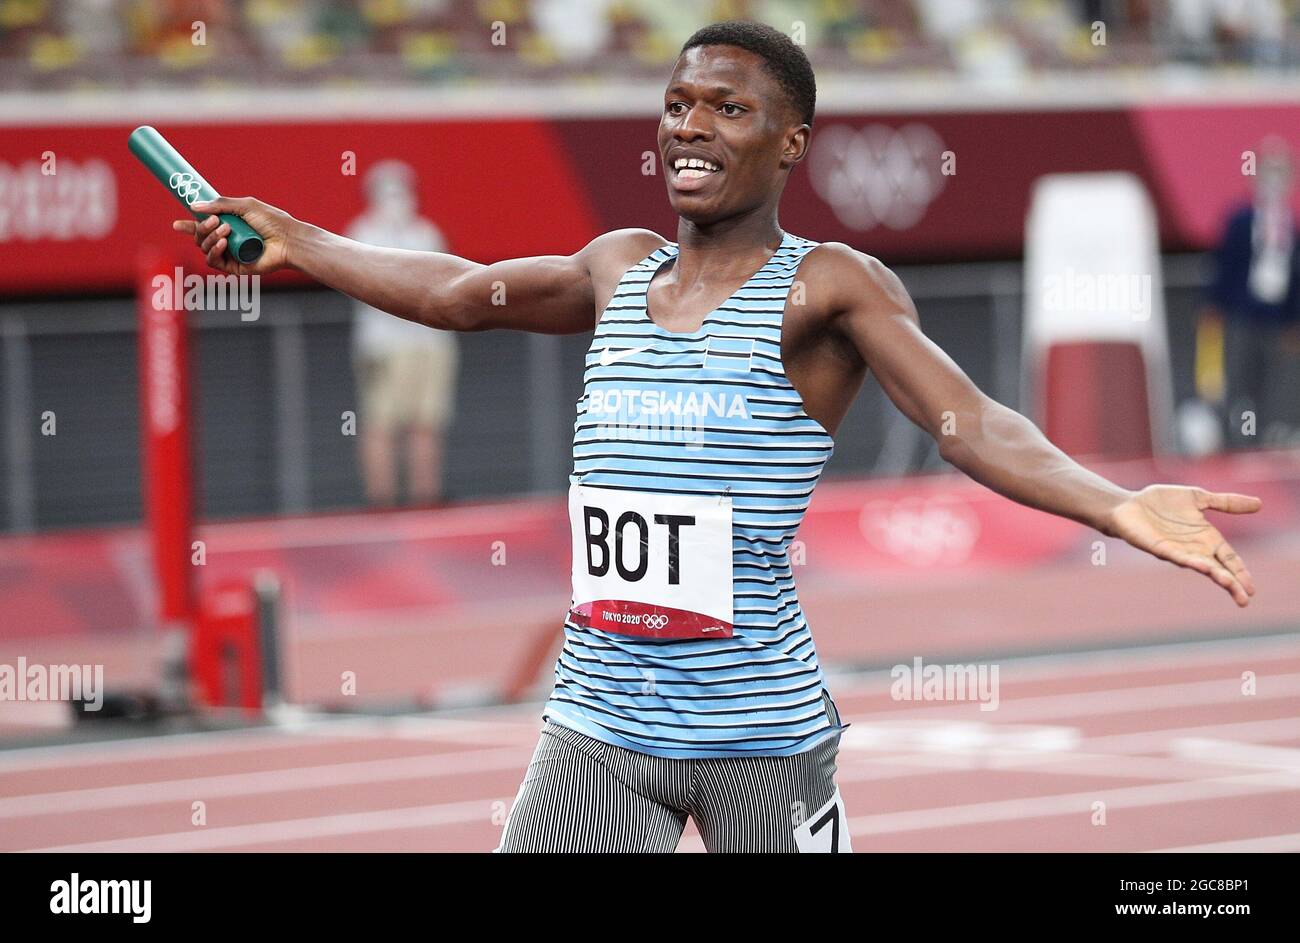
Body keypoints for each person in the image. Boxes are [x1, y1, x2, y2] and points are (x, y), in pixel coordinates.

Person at [172, 21, 1261, 853]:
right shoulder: (617, 267)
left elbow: (966, 420)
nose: (688, 125)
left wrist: (1111, 502)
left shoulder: (826, 287)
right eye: (677, 103)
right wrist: (298, 238)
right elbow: (460, 291)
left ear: (790, 144)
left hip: (760, 739)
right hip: (596, 721)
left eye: (726, 110)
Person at [347, 160, 458, 506]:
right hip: (383, 345)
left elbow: (446, 286)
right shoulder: (361, 235)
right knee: (381, 422)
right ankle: (381, 501)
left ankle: (425, 498)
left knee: (427, 422)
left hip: (429, 342)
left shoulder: (426, 234)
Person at [1199, 137, 1300, 449]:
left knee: (1276, 382)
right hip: (1242, 315)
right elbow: (1224, 265)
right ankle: (1240, 441)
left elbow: (1295, 277)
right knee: (1240, 381)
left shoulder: (1291, 226)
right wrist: (1212, 304)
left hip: (1276, 318)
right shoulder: (1240, 220)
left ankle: (1270, 439)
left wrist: (1293, 320)